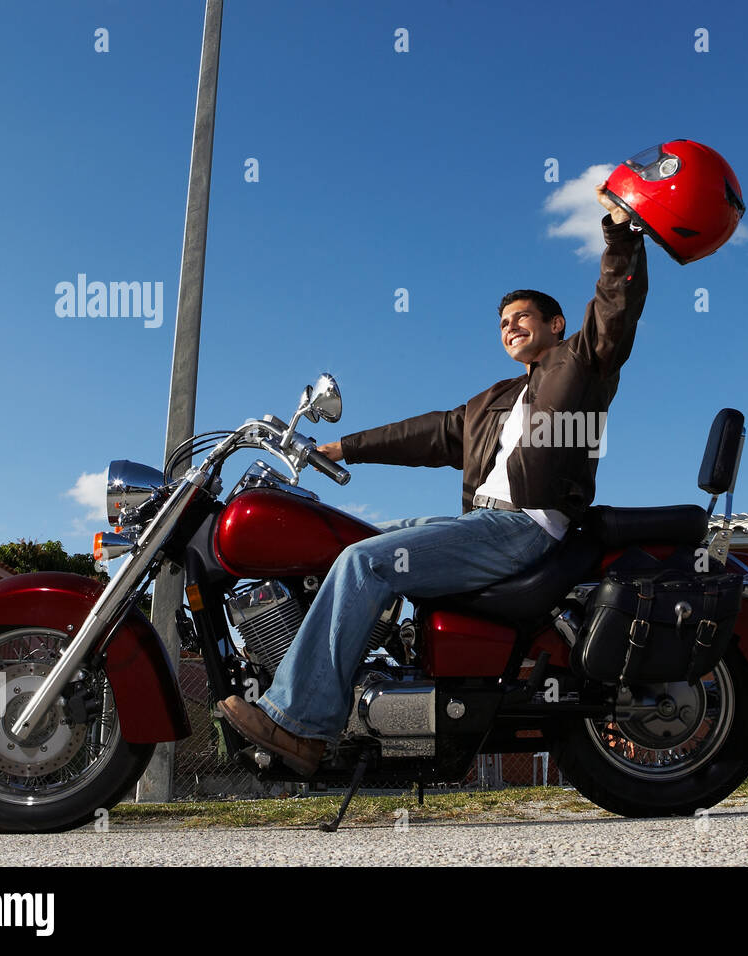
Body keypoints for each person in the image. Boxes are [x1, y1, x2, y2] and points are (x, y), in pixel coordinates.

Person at [218, 182, 647, 775]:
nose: (510, 326)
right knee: (347, 548)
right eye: (502, 322)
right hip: (484, 521)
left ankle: (300, 723)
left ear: (556, 323)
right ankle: (358, 694)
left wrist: (621, 236)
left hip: (525, 524)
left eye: (523, 317)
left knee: (364, 563)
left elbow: (613, 314)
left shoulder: (579, 368)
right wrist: (344, 446)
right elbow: (430, 432)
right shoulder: (497, 398)